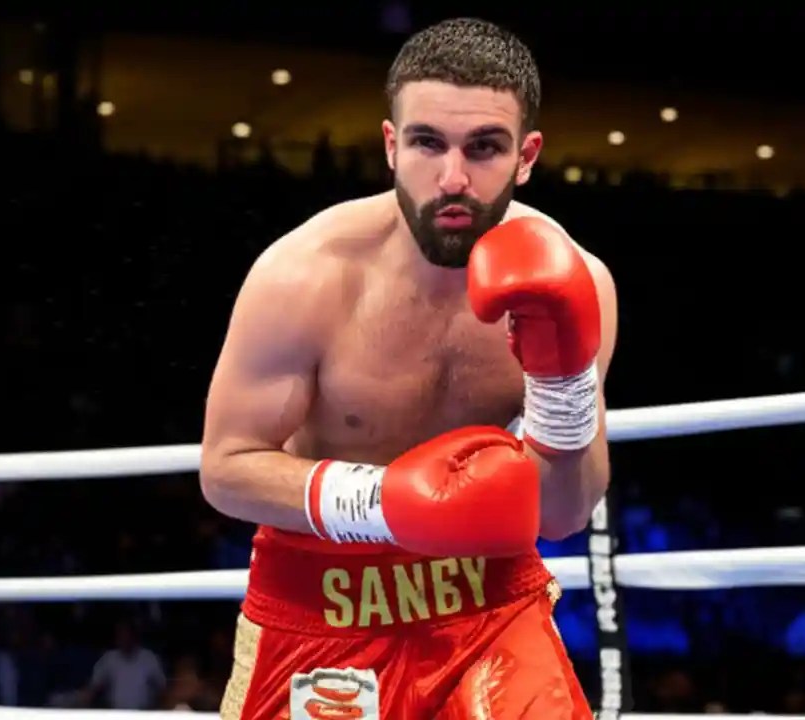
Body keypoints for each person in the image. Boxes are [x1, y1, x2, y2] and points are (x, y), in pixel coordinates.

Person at [200, 17, 618, 719]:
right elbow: (226, 468)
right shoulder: (304, 277)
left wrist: (561, 382)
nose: (453, 178)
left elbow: (565, 511)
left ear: (527, 155)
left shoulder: (578, 285)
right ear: (392, 145)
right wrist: (383, 503)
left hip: (487, 597)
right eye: (428, 142)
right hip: (324, 598)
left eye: (484, 148)